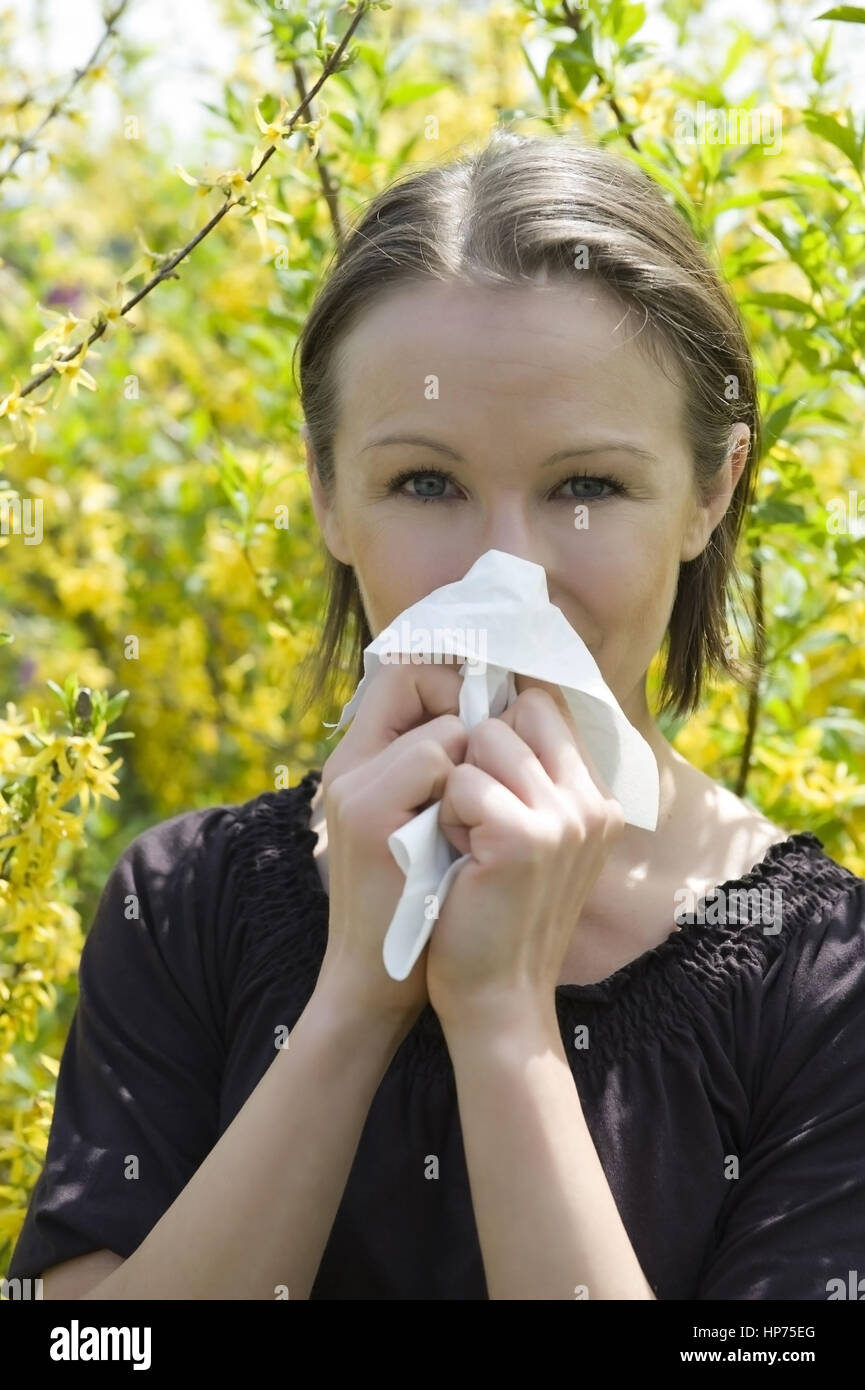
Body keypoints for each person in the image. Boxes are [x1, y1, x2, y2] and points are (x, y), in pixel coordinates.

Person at [6, 131, 864, 1301]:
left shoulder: (821, 982)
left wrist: (504, 1027)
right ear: (326, 493)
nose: (504, 575)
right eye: (425, 483)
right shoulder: (186, 904)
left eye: (585, 487)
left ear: (709, 492)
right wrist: (359, 991)